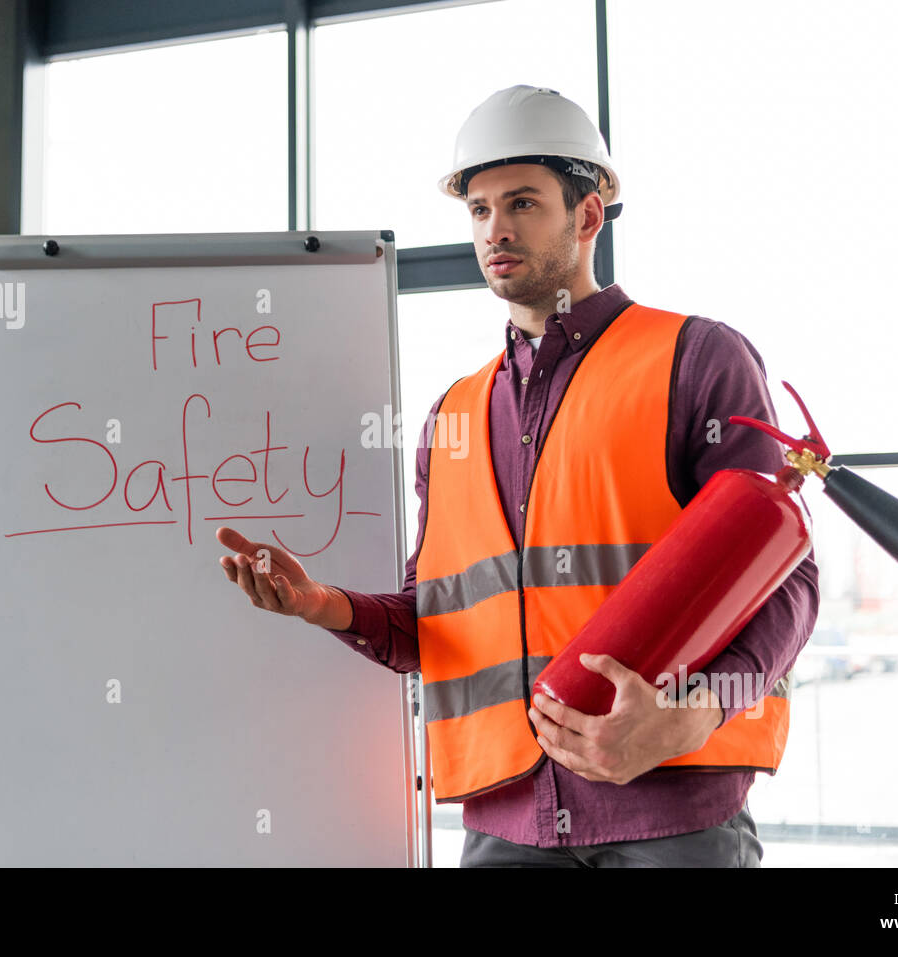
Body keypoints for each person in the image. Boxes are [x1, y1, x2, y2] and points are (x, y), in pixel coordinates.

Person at [216, 85, 819, 867]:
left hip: (669, 808)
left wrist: (693, 713)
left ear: (589, 214)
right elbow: (438, 624)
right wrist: (321, 605)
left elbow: (787, 579)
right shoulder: (453, 416)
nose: (495, 228)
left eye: (524, 203)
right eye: (478, 209)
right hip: (507, 819)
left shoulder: (696, 358)